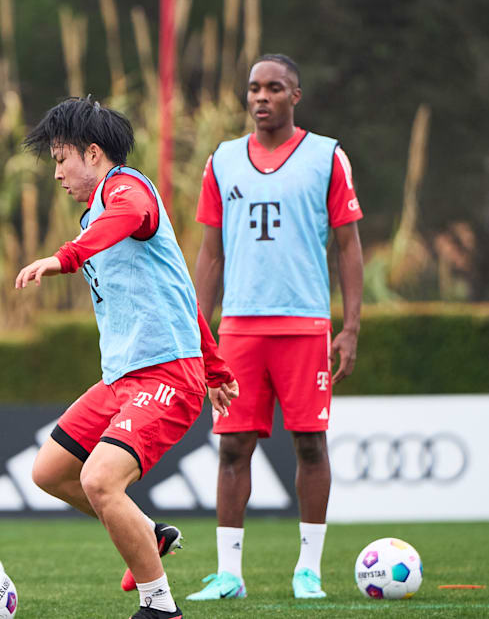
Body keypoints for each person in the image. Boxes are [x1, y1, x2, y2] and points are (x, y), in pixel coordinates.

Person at [17, 96, 238, 619]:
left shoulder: (127, 188)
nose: (57, 173)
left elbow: (132, 213)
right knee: (49, 472)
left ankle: (160, 607)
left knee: (99, 480)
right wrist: (216, 364)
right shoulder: (97, 213)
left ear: (93, 154)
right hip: (122, 379)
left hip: (164, 376)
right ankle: (149, 533)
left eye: (60, 158)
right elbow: (180, 292)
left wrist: (62, 258)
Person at [186, 54, 364, 602]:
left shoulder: (326, 156)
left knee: (310, 444)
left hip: (305, 325)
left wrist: (350, 325)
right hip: (239, 330)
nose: (261, 97)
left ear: (296, 96)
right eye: (254, 89)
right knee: (232, 446)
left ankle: (308, 571)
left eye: (274, 88)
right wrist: (199, 328)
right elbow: (211, 254)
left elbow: (349, 245)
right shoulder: (223, 161)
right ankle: (228, 576)